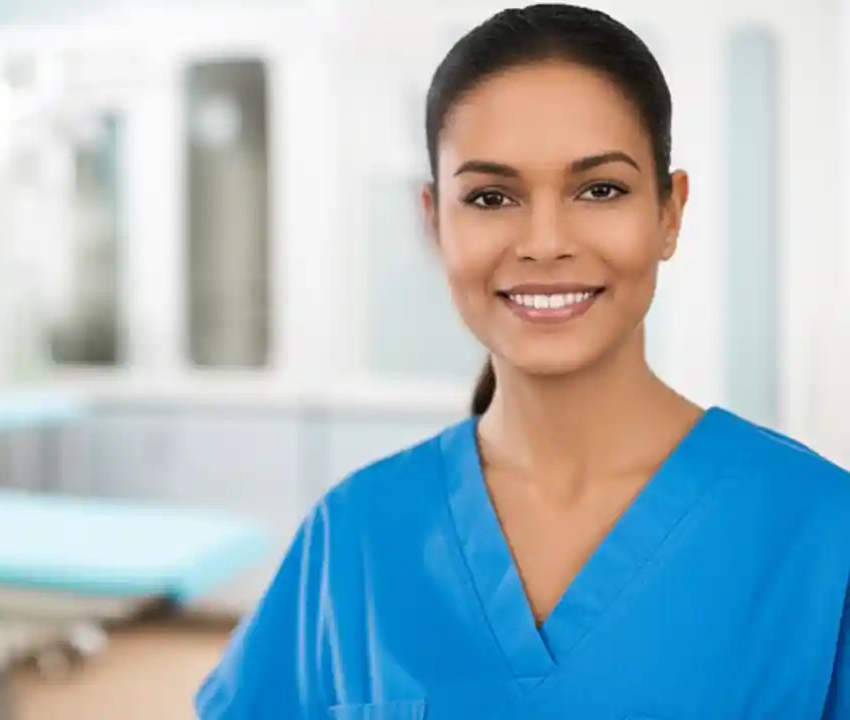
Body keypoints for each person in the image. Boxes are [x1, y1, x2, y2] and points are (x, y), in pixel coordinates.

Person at [195, 4, 850, 718]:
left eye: (600, 189)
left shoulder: (818, 533)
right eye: (491, 196)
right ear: (434, 221)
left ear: (670, 212)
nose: (544, 242)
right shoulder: (357, 534)